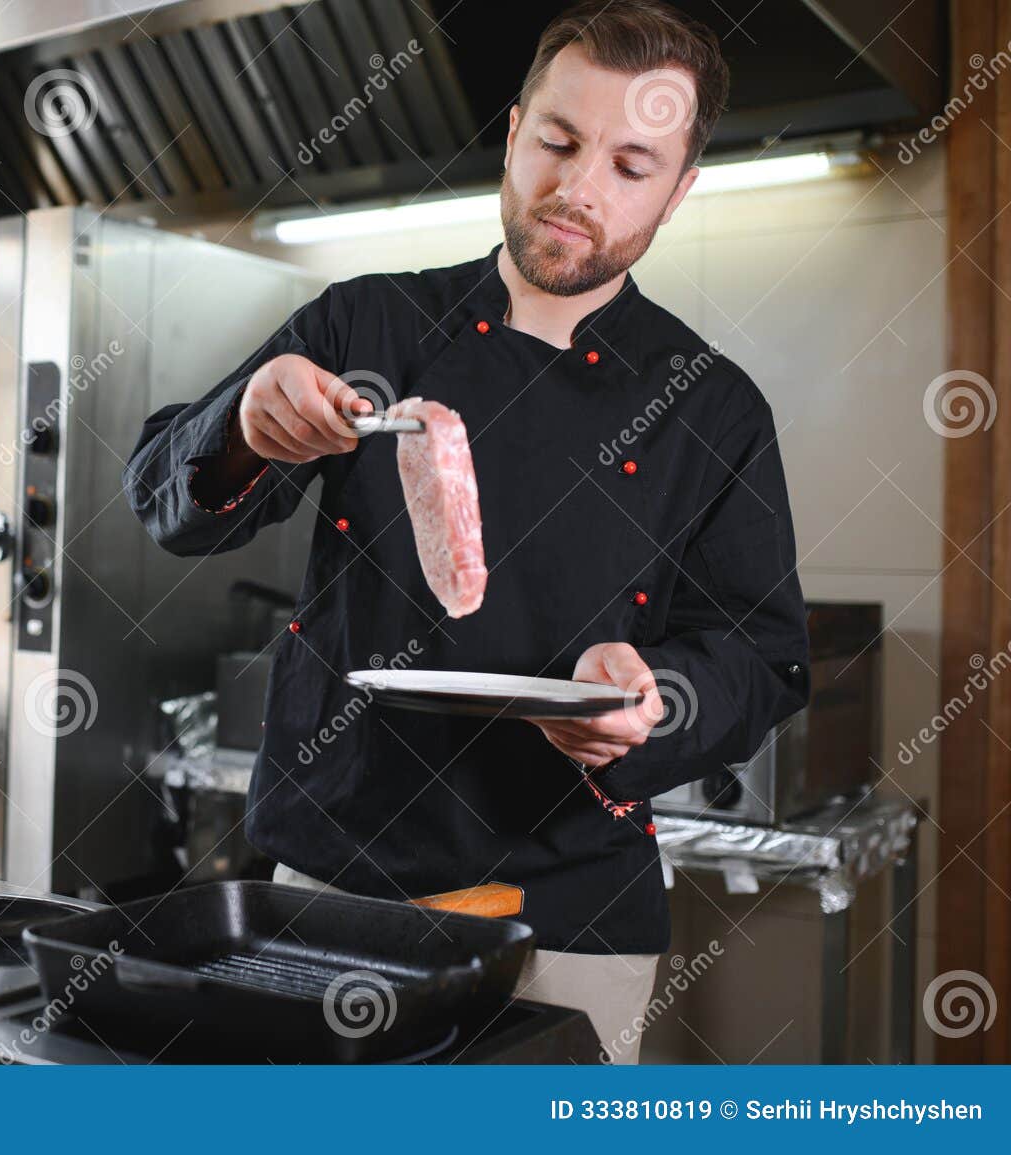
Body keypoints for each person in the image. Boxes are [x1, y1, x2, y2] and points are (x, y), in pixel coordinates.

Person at [123, 0, 809, 1064]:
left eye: (631, 165)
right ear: (511, 134)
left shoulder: (710, 407)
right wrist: (244, 429)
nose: (578, 189)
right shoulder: (368, 326)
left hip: (572, 922)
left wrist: (654, 702)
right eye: (558, 141)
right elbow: (165, 498)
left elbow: (761, 657)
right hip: (335, 891)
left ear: (677, 195)